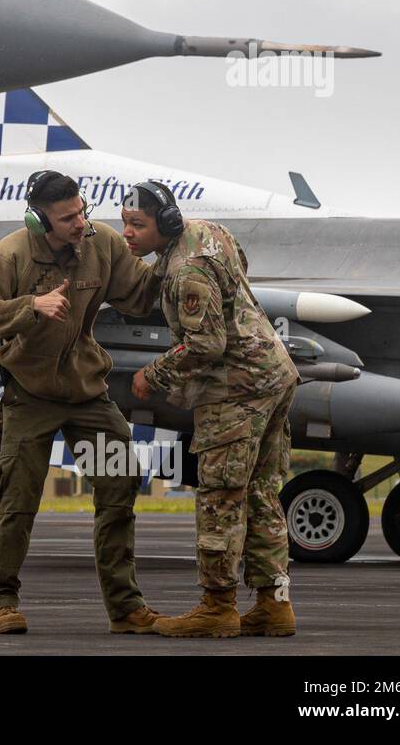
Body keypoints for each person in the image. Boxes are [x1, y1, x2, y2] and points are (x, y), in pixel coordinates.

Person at [0, 170, 163, 635]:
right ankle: (0, 601)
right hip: (29, 394)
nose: (80, 223)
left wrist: (176, 252)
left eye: (82, 211)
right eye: (67, 218)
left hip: (85, 393)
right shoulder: (11, 254)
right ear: (39, 222)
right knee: (19, 498)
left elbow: (141, 295)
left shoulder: (103, 243)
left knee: (119, 485)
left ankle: (126, 608)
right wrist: (28, 307)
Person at [122, 181, 301, 637]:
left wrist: (153, 375)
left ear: (163, 223)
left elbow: (206, 343)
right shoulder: (209, 231)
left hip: (236, 388)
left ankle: (217, 607)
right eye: (124, 223)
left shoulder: (186, 272)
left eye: (137, 225)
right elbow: (241, 264)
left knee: (220, 495)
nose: (127, 234)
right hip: (275, 372)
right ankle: (273, 605)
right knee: (262, 493)